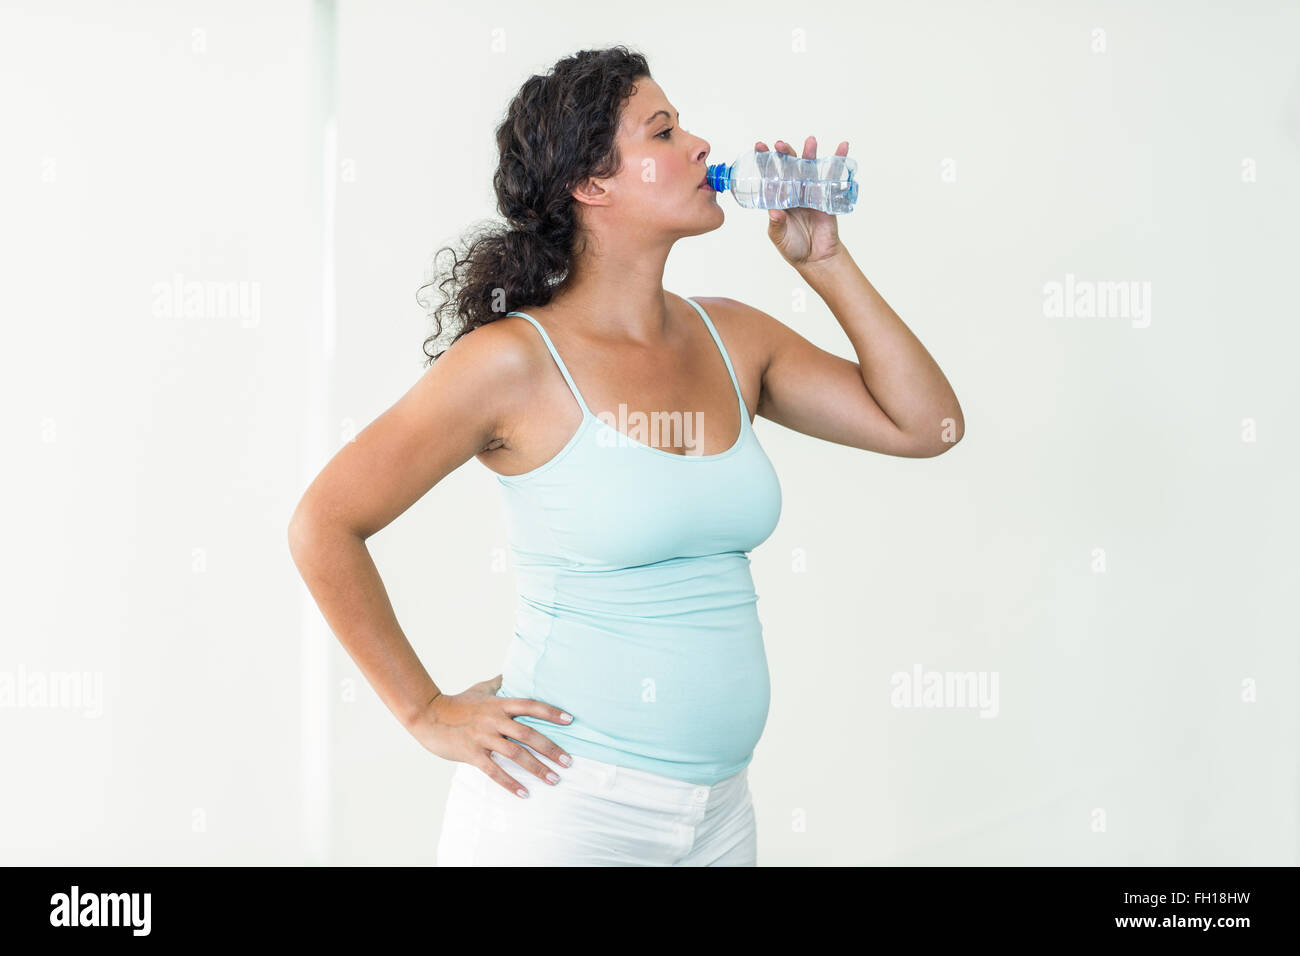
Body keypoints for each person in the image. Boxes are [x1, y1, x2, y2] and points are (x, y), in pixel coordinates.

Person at [287, 45, 964, 866]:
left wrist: (826, 263)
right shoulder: (513, 362)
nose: (701, 147)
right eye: (664, 132)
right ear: (591, 183)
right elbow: (324, 523)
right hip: (564, 809)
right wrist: (425, 711)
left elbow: (926, 428)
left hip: (719, 816)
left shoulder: (732, 336)